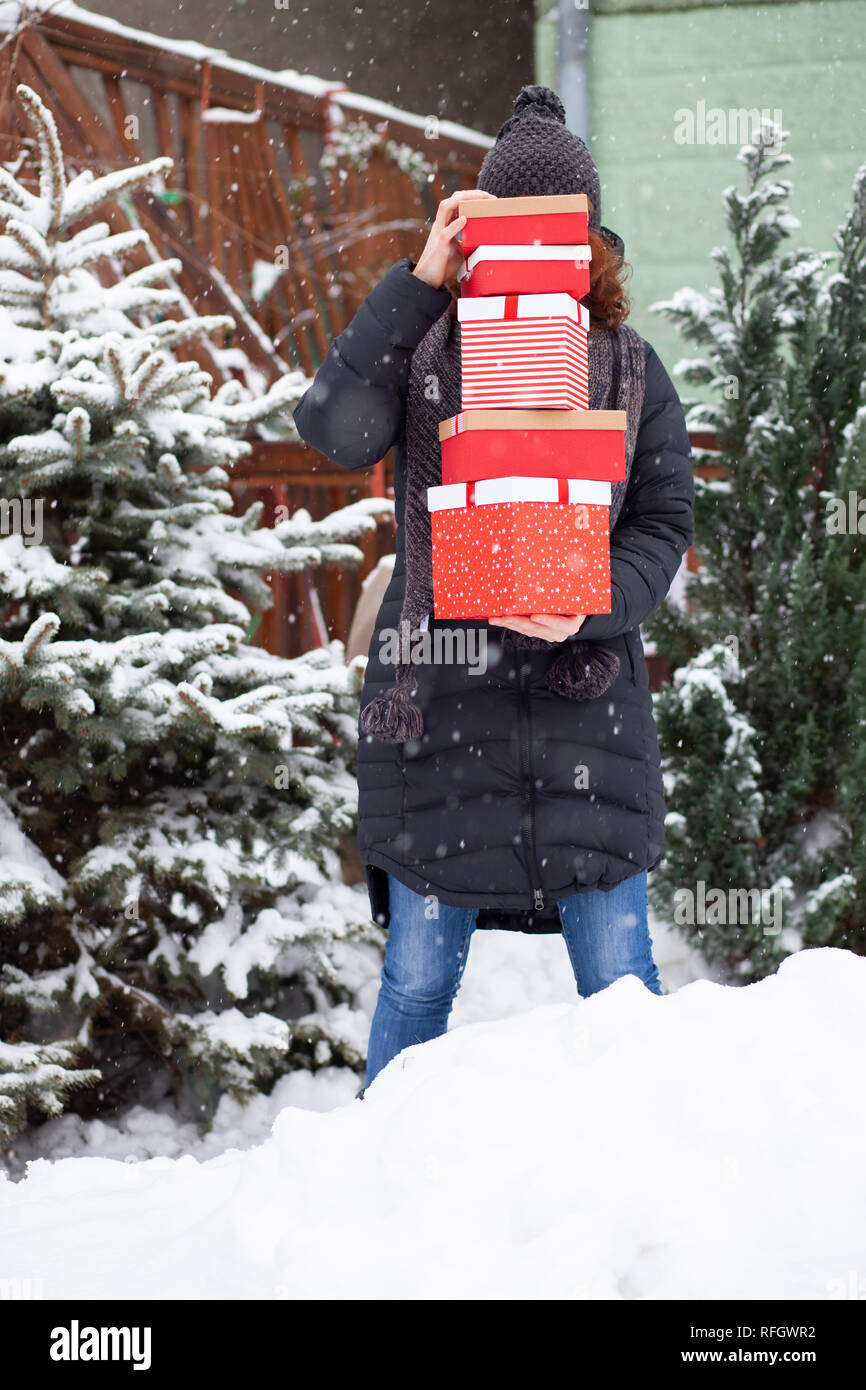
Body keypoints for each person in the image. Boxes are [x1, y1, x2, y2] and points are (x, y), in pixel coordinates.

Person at [293, 84, 695, 1090]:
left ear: (588, 244)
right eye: (504, 229)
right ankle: (369, 1182)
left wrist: (591, 599)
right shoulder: (425, 352)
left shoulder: (632, 370)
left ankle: (646, 1187)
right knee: (417, 988)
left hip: (586, 723)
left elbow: (662, 525)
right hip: (433, 714)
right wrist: (416, 286)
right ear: (474, 235)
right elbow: (332, 431)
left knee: (621, 994)